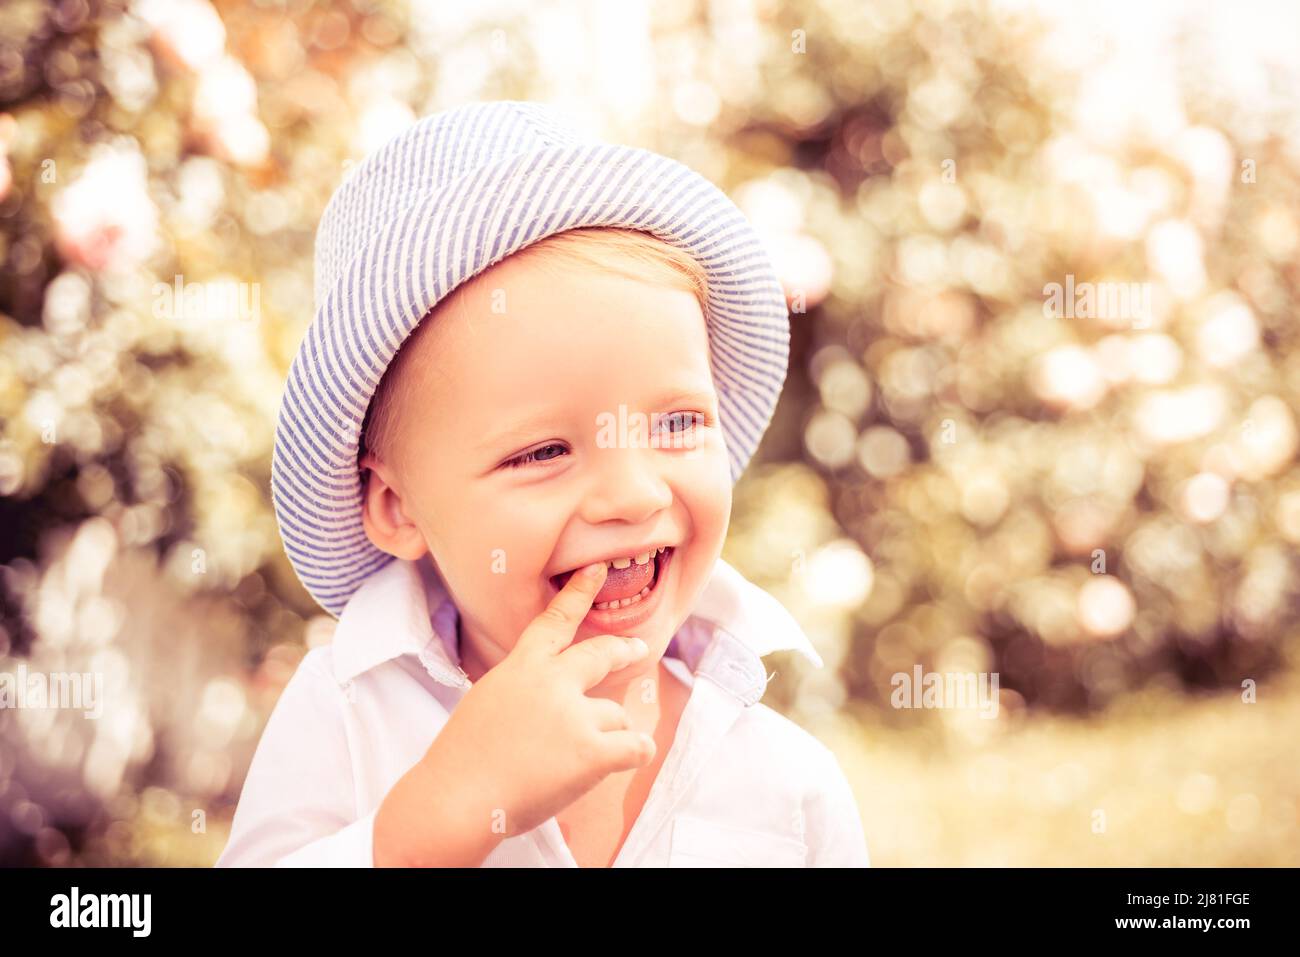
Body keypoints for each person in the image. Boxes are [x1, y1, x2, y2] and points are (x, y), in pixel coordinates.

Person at [216, 101, 870, 868]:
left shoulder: (787, 787)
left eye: (675, 423)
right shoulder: (350, 714)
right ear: (396, 505)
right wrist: (443, 814)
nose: (633, 494)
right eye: (543, 452)